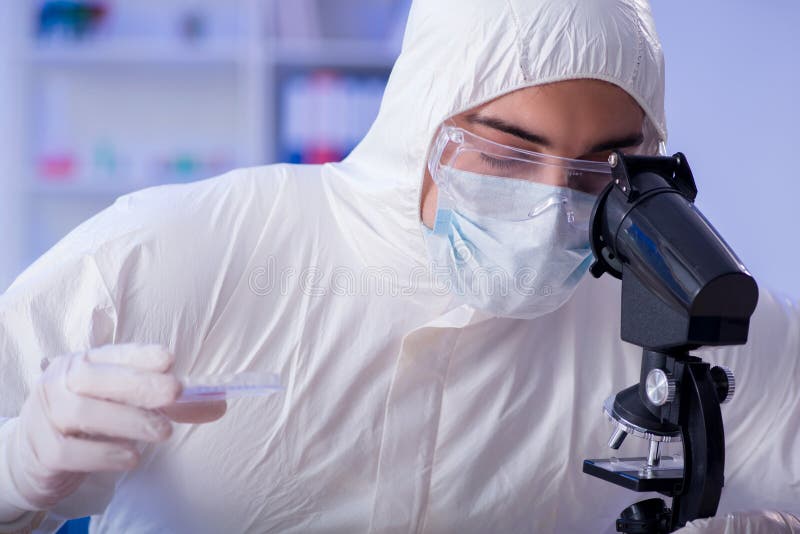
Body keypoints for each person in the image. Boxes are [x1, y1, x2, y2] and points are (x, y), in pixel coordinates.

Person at [1, 0, 798, 532]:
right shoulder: (181, 251)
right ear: (423, 123)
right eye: (509, 152)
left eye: (603, 166)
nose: (555, 204)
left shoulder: (672, 321)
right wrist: (15, 472)